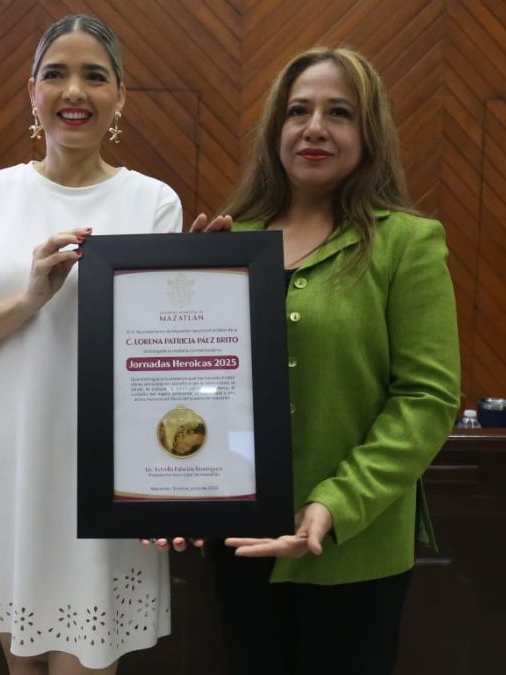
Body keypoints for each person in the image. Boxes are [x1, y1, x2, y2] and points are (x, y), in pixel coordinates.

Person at [0, 15, 183, 675]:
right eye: (56, 74)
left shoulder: (153, 201)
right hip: (5, 465)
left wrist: (199, 288)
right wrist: (29, 298)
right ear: (31, 91)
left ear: (120, 95)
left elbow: (162, 354)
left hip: (103, 474)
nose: (75, 90)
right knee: (23, 668)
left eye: (94, 75)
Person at [192, 46, 461, 675]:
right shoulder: (234, 240)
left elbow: (427, 401)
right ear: (275, 131)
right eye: (298, 111)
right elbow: (199, 386)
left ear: (369, 135)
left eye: (338, 112)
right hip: (242, 540)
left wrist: (335, 505)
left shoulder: (408, 243)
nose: (314, 128)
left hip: (354, 546)